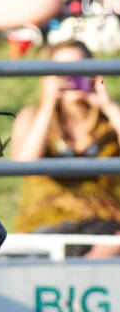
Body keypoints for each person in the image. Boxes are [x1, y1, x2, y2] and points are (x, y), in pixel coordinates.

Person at [13, 40, 120, 256]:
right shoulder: (32, 116)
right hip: (47, 224)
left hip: (105, 227)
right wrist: (48, 104)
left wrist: (109, 107)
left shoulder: (110, 122)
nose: (71, 77)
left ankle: (81, 273)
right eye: (62, 70)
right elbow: (24, 163)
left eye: (79, 69)